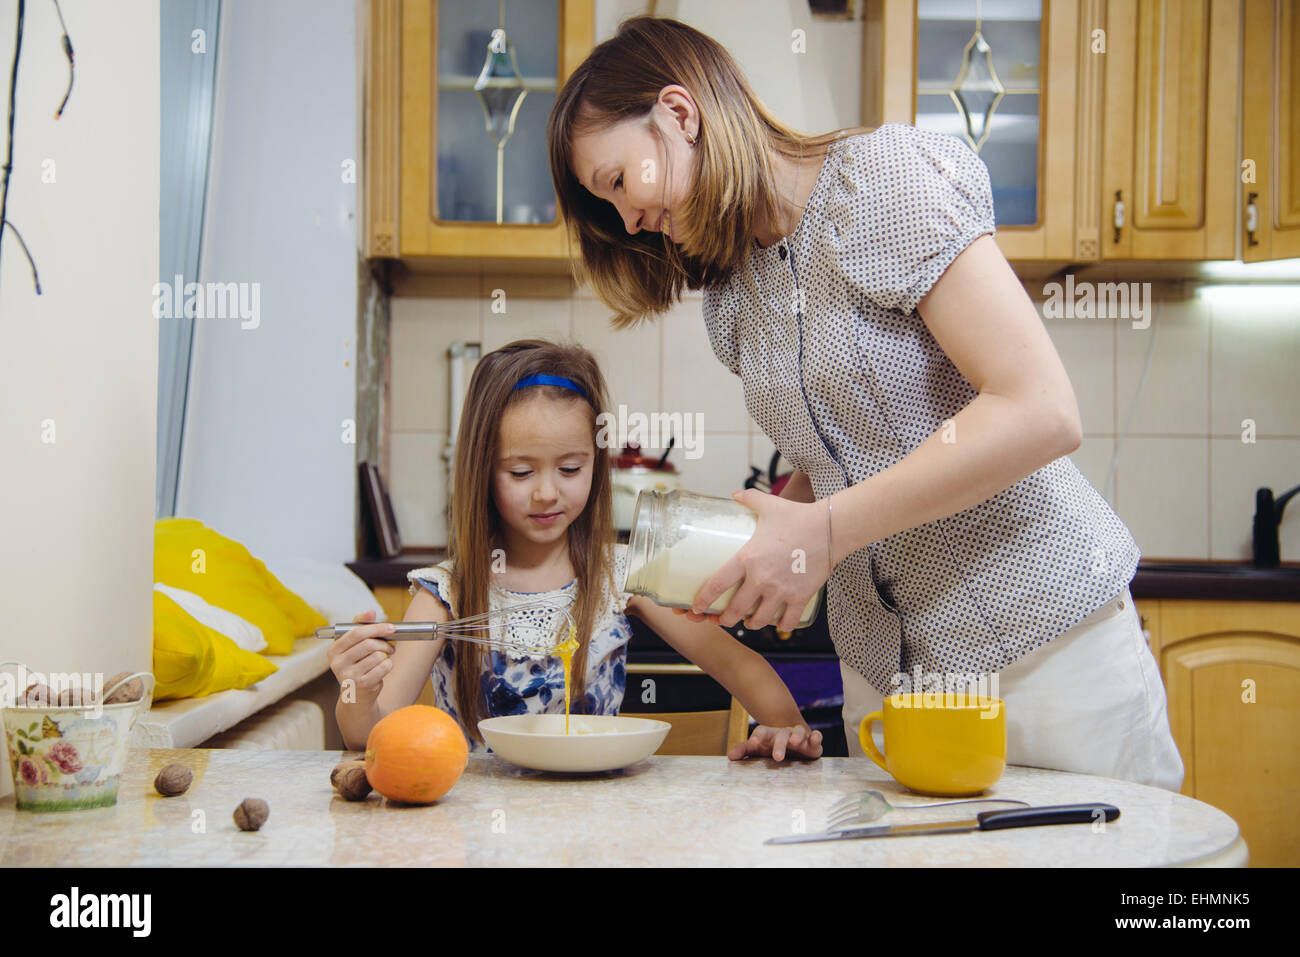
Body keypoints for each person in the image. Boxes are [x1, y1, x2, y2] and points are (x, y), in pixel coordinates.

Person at [546, 15, 1184, 791]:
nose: (628, 220)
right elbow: (842, 455)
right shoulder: (734, 297)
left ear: (679, 114)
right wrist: (769, 541)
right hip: (890, 679)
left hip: (1042, 647)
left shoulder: (882, 179)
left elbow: (1040, 408)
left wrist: (821, 530)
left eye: (618, 182)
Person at [330, 339, 822, 761]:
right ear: (481, 470)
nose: (547, 492)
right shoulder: (446, 592)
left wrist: (785, 727)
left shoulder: (623, 574)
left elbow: (738, 664)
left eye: (570, 469)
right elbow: (370, 736)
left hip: (594, 823)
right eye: (520, 473)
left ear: (597, 463)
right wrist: (357, 692)